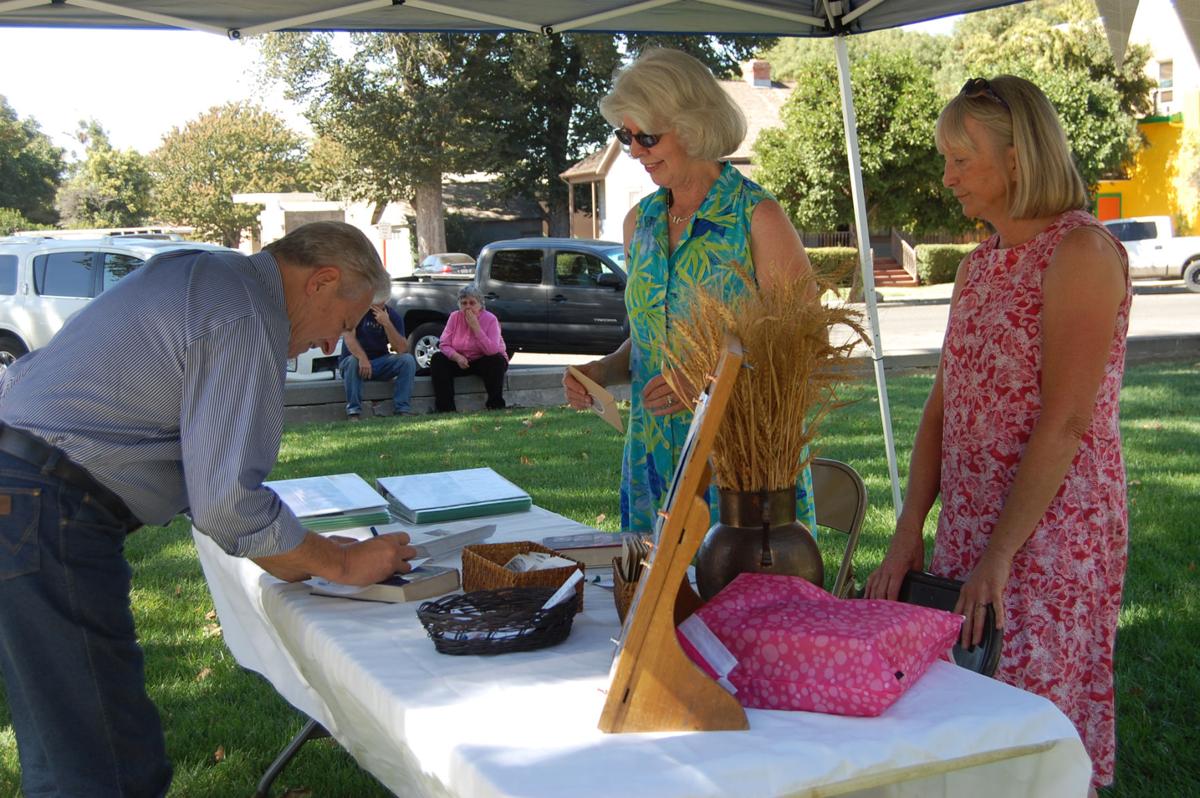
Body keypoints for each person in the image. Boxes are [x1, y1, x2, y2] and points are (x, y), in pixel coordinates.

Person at [0, 221, 417, 797]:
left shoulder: (209, 273)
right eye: (343, 323)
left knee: (68, 742)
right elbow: (225, 502)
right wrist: (342, 567)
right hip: (45, 505)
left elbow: (211, 487)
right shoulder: (248, 312)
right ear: (322, 280)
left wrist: (316, 555)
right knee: (102, 765)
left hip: (26, 492)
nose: (330, 344)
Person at [863, 76, 1130, 793]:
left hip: (1050, 529)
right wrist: (909, 525)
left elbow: (1067, 421)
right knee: (969, 712)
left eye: (961, 158)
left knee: (1035, 717)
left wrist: (1000, 555)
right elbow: (941, 410)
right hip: (974, 522)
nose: (947, 176)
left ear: (1018, 159)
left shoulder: (1082, 254)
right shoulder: (977, 267)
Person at [561, 47, 818, 535]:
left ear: (695, 127)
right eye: (625, 136)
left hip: (740, 462)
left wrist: (707, 383)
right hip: (654, 459)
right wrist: (602, 370)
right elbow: (649, 344)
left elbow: (800, 349)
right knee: (657, 609)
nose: (634, 150)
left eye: (647, 137)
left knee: (736, 609)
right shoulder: (642, 222)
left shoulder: (756, 218)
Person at [430, 283, 508, 412]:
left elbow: (492, 350)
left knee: (496, 360)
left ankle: (495, 405)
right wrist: (457, 357)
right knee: (438, 359)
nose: (468, 307)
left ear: (480, 305)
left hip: (485, 359)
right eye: (464, 303)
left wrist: (476, 328)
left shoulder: (490, 319)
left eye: (472, 303)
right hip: (461, 360)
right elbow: (444, 344)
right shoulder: (454, 317)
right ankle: (446, 408)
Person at [340, 302, 417, 420]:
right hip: (353, 363)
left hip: (379, 362)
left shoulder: (392, 315)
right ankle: (353, 412)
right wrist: (362, 358)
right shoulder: (355, 311)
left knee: (407, 360)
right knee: (352, 361)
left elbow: (402, 348)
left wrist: (387, 323)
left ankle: (402, 409)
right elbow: (349, 339)